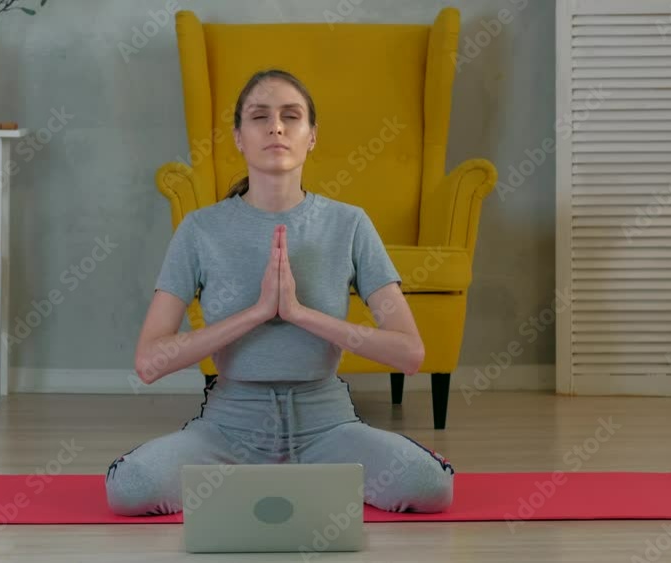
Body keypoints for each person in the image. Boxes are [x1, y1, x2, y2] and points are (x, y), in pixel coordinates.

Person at [106, 69, 454, 516]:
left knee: (430, 486)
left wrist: (299, 313)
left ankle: (286, 476)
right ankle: (278, 477)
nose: (276, 127)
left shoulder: (349, 225)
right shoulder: (200, 229)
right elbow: (149, 363)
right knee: (130, 488)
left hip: (327, 424)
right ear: (238, 137)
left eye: (291, 116)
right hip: (230, 428)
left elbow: (409, 354)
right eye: (259, 117)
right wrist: (255, 313)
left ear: (311, 136)